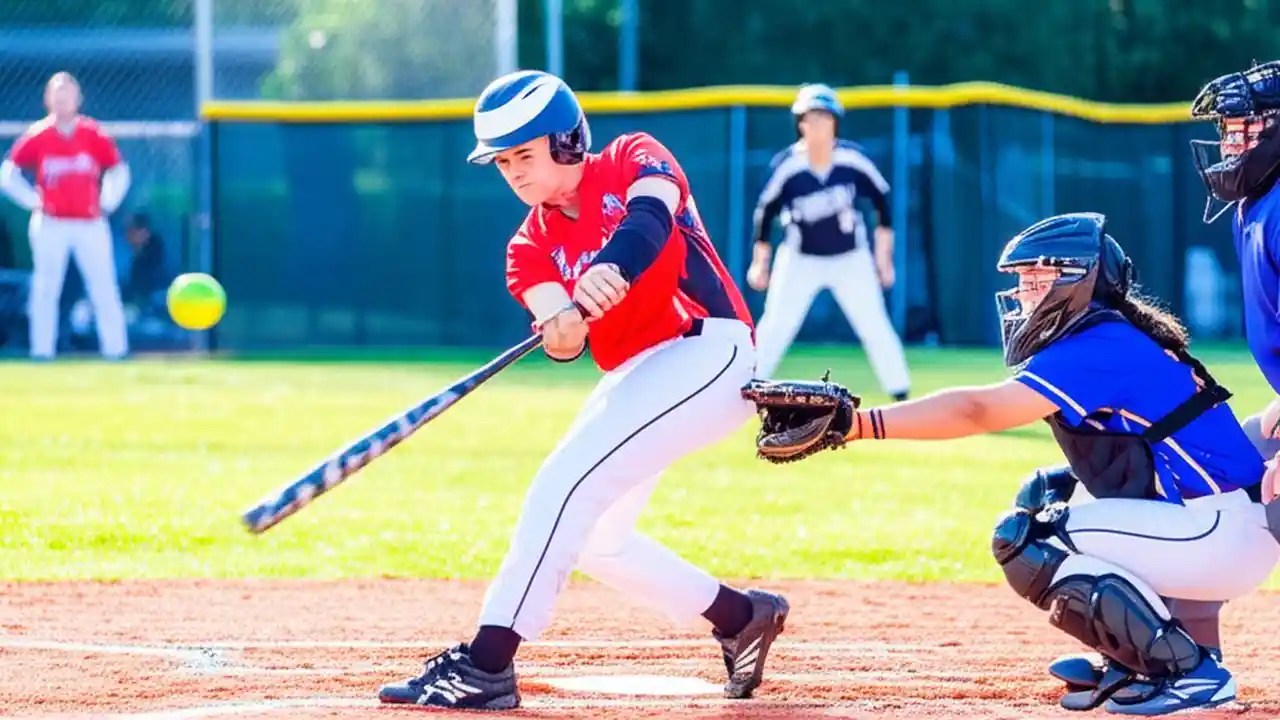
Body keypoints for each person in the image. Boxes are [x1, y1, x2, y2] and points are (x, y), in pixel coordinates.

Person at [744, 212, 1279, 715]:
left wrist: (856, 424)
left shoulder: (1100, 344)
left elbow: (979, 409)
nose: (1024, 292)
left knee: (1026, 538)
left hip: (1220, 530)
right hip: (1224, 529)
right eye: (1022, 278)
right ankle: (1157, 659)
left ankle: (1186, 672)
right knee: (1055, 492)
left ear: (1079, 279)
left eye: (1037, 277)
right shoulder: (1111, 337)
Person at [377, 70, 789, 710]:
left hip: (709, 350)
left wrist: (610, 269)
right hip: (636, 374)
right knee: (598, 537)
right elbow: (564, 336)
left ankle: (487, 663)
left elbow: (651, 219)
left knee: (563, 482)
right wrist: (563, 323)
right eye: (502, 161)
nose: (512, 172)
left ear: (567, 142)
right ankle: (740, 617)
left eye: (524, 154)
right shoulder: (527, 246)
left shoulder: (632, 156)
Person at [1178, 58, 1280, 692]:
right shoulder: (1258, 205)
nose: (1227, 145)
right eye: (1226, 131)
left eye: (1242, 128)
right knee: (1205, 481)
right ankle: (1193, 666)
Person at [746, 83, 910, 399]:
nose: (818, 125)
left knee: (874, 324)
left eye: (825, 117)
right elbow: (764, 215)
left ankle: (900, 390)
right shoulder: (787, 165)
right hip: (800, 258)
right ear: (800, 123)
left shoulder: (852, 160)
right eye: (811, 118)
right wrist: (759, 263)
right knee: (775, 326)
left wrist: (884, 259)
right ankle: (747, 386)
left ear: (836, 122)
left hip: (850, 257)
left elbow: (882, 205)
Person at [0, 72, 130, 360]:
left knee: (103, 286)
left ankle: (116, 351)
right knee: (46, 287)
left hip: (90, 222)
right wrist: (32, 200)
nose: (62, 99)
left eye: (67, 93)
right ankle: (42, 352)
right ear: (47, 99)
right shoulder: (38, 135)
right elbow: (8, 174)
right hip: (51, 222)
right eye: (56, 94)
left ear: (78, 98)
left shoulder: (92, 133)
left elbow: (119, 170)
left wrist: (107, 201)